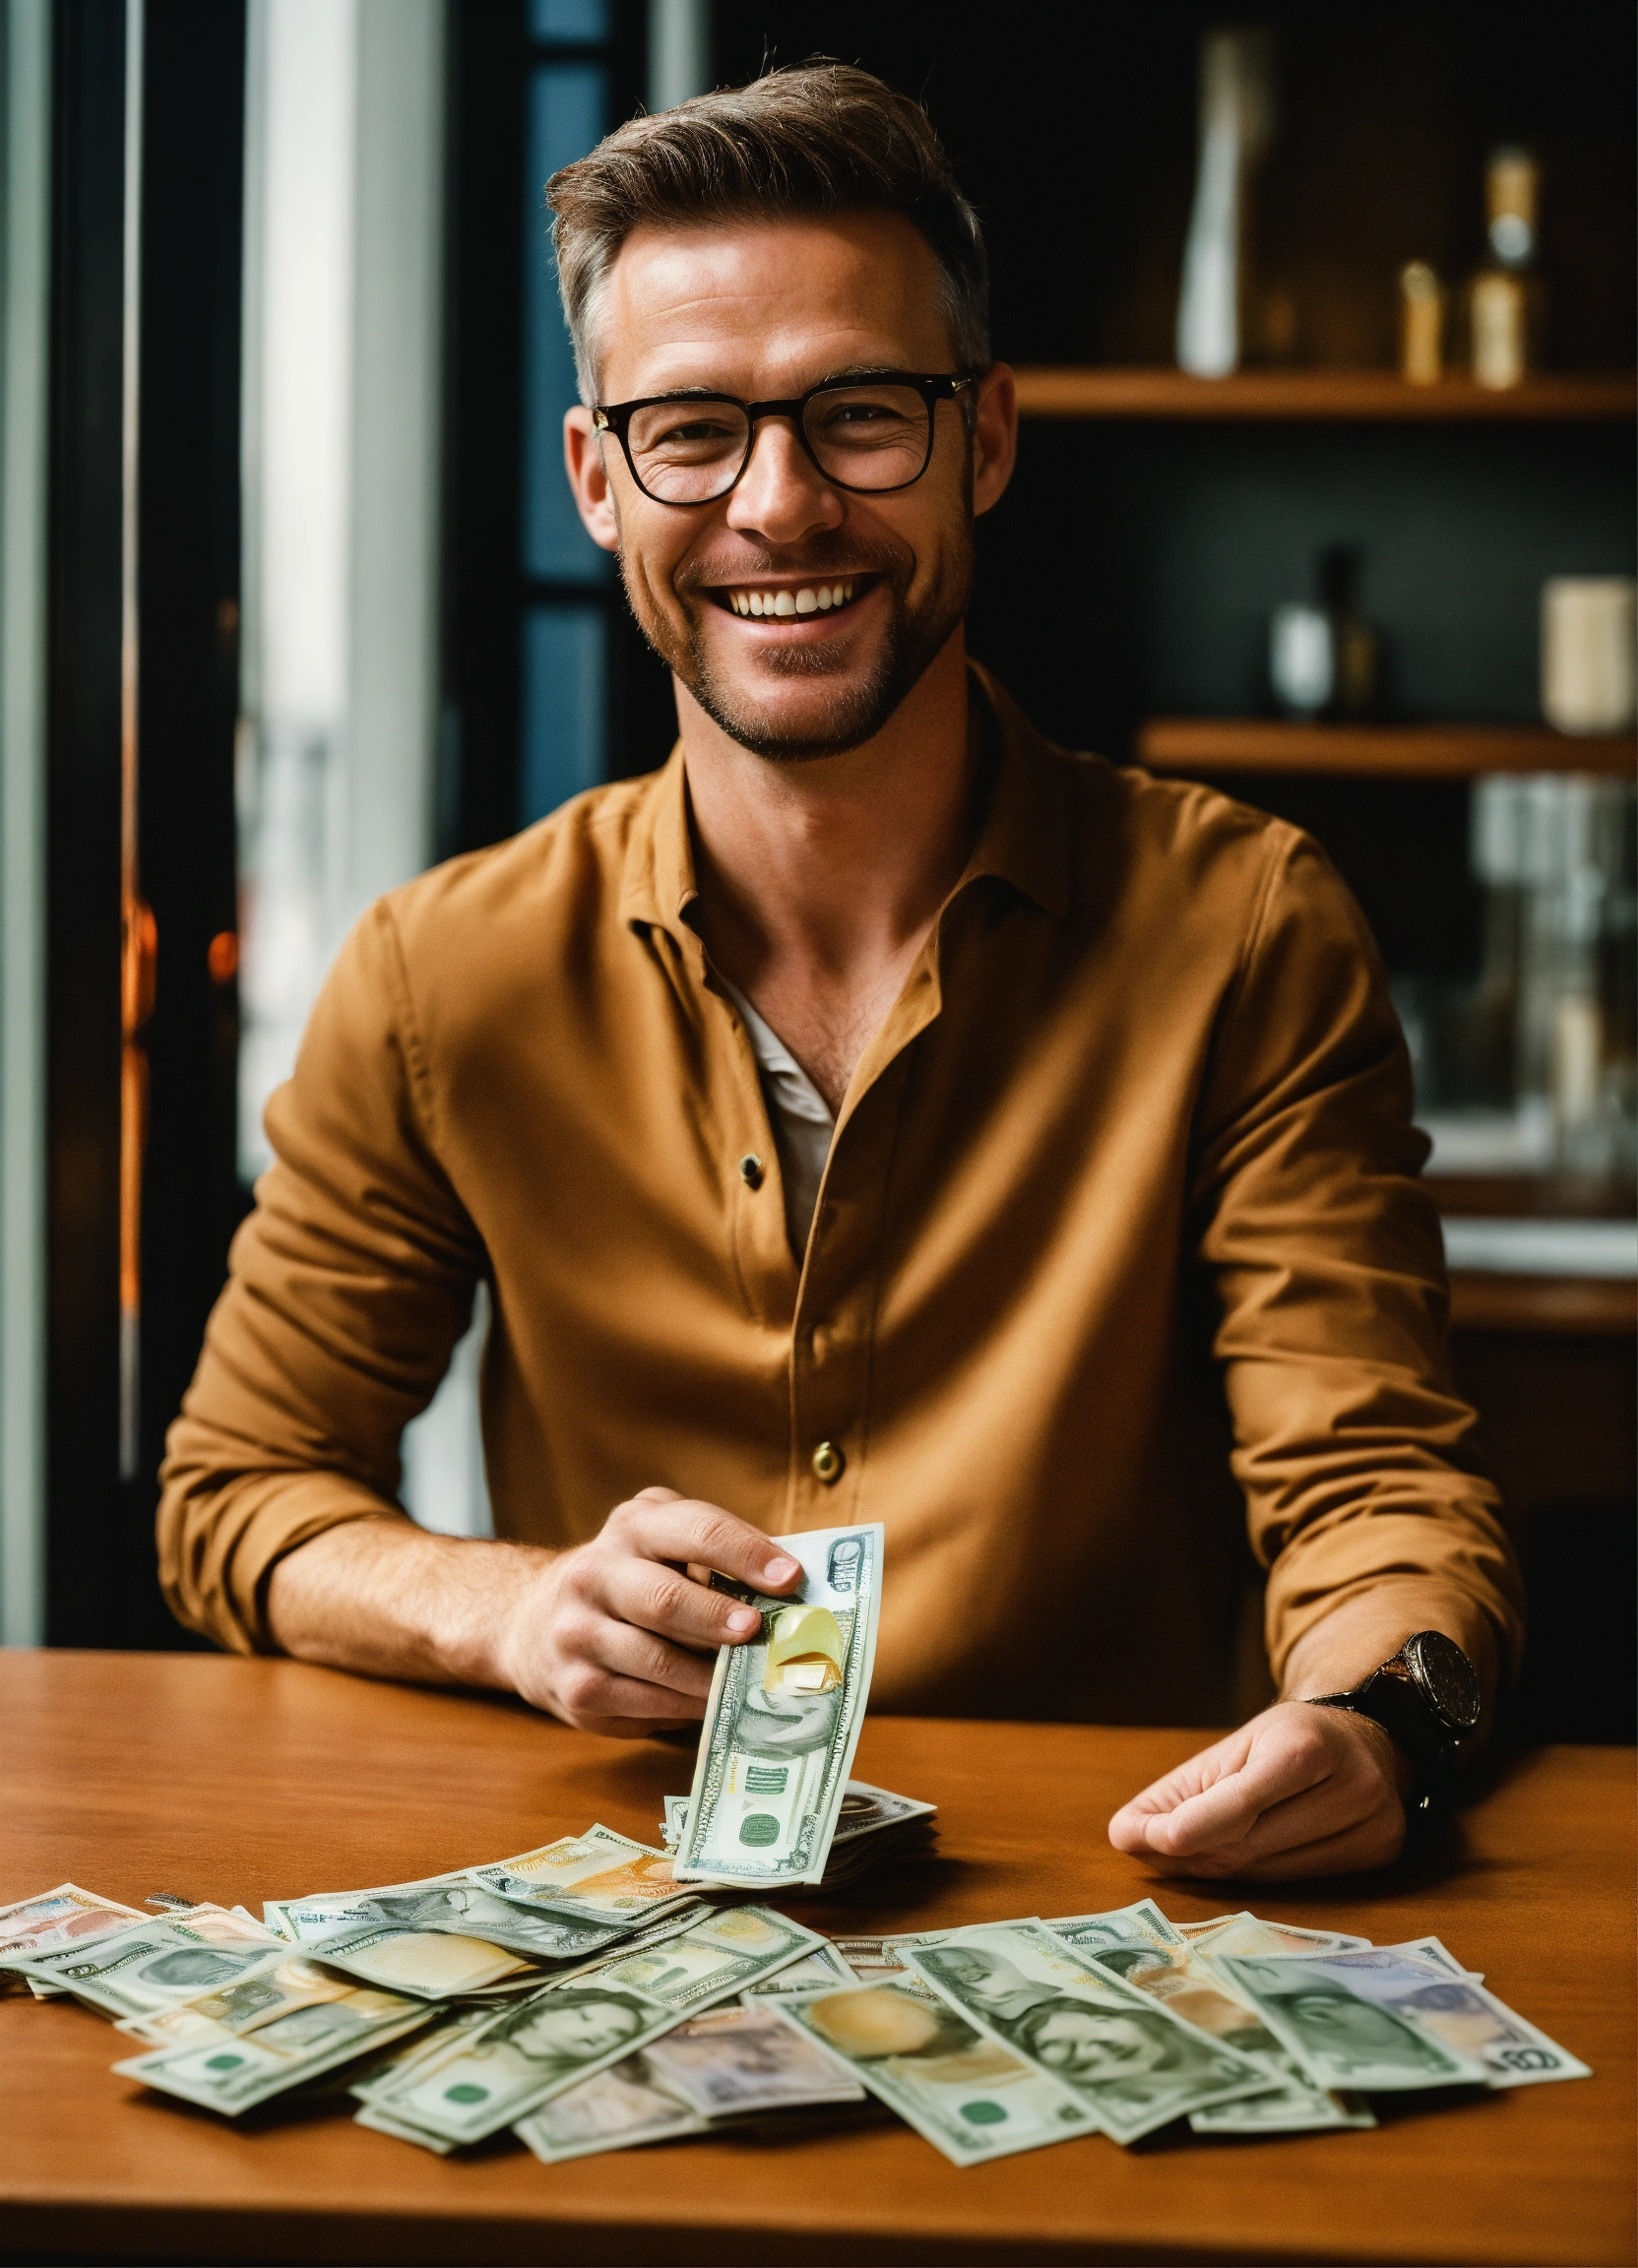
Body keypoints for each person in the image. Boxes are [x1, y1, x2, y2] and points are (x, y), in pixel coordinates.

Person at [158, 61, 1523, 1882]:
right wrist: (511, 1607)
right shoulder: (438, 973)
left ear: (989, 438)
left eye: (862, 415)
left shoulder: (1249, 928)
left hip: (1114, 1890)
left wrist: (1379, 1726)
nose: (780, 506)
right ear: (595, 477)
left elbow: (1372, 1496)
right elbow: (239, 1496)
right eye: (692, 429)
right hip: (620, 1908)